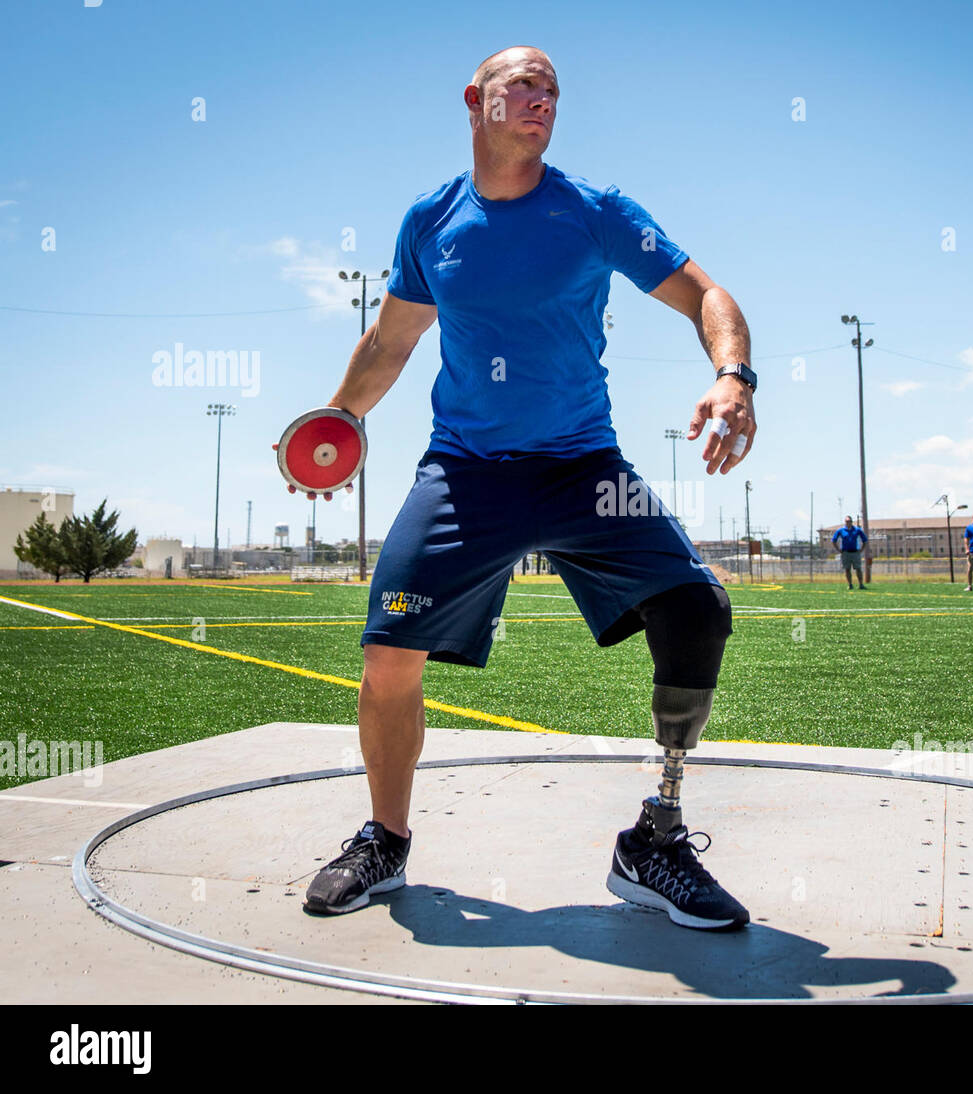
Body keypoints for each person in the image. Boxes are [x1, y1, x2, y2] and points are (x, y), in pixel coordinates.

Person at [297, 46, 757, 931]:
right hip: (465, 474)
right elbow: (391, 344)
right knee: (389, 650)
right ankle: (384, 842)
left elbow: (709, 294)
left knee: (697, 609)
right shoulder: (431, 222)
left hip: (583, 468)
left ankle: (654, 841)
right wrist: (337, 423)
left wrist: (734, 375)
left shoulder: (594, 211)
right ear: (476, 100)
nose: (543, 98)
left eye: (554, 89)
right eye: (525, 84)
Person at [832, 516, 868, 589]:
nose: (848, 522)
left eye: (850, 521)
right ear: (845, 522)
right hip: (845, 553)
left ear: (852, 522)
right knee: (847, 569)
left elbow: (865, 540)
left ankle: (861, 584)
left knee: (858, 568)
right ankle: (850, 585)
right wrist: (839, 550)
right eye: (847, 521)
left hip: (855, 553)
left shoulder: (858, 530)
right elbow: (834, 540)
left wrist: (861, 550)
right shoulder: (841, 531)